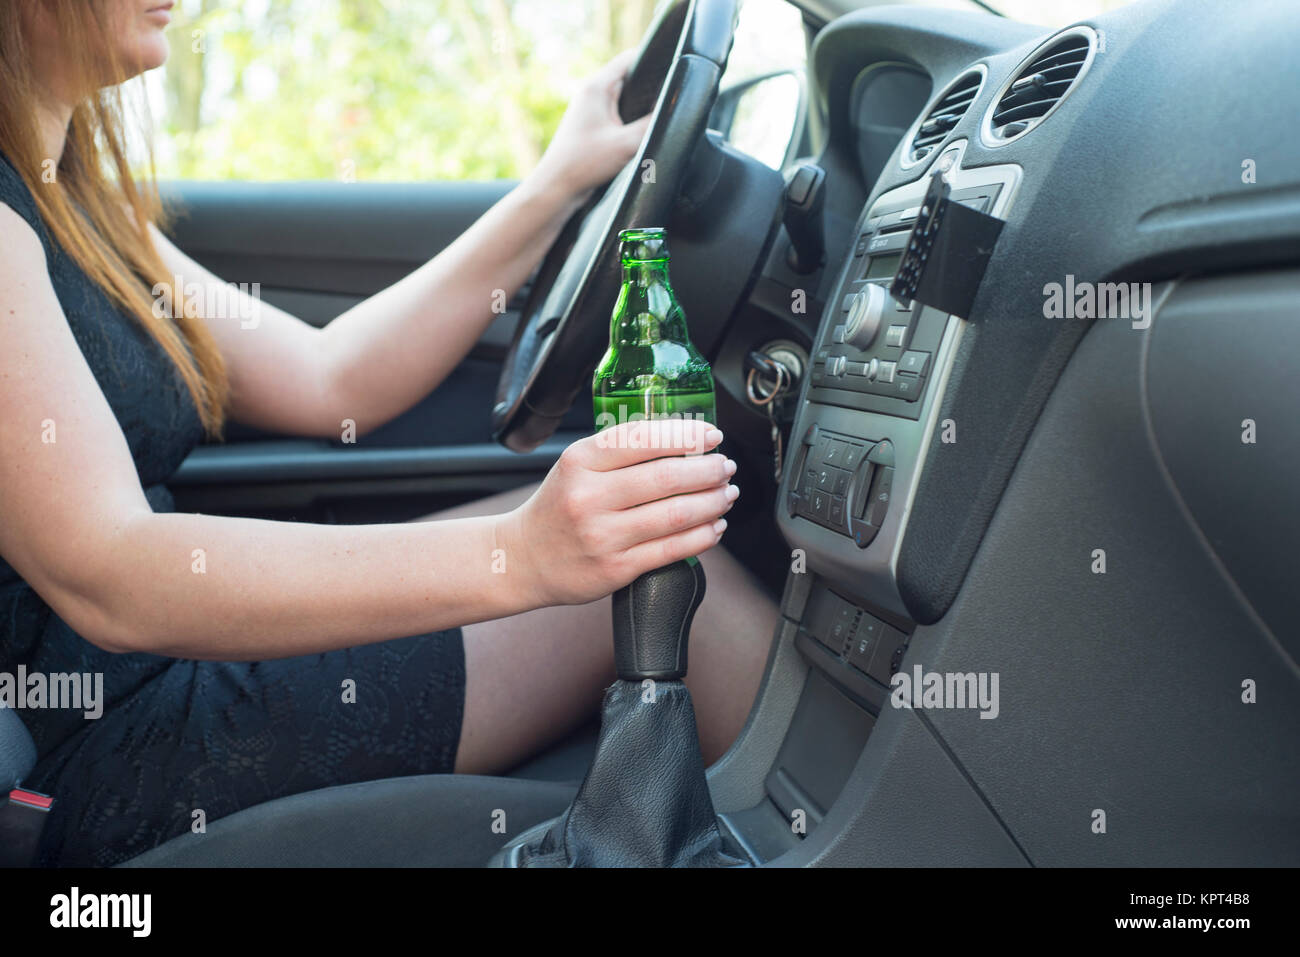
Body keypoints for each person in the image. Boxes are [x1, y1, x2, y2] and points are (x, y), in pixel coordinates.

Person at [0, 1, 778, 866]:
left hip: (166, 668)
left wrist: (558, 182)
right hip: (99, 749)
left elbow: (333, 378)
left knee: (649, 540)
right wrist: (523, 555)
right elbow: (110, 572)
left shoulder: (72, 204)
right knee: (667, 562)